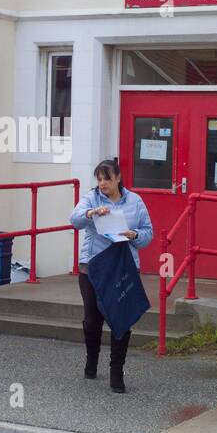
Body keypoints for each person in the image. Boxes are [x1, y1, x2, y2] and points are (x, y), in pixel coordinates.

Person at [69, 157, 154, 393]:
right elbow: (73, 220)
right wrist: (91, 213)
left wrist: (133, 235)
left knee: (121, 320)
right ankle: (91, 361)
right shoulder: (91, 197)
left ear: (118, 178)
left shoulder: (135, 201)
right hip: (93, 267)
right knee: (92, 319)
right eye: (99, 179)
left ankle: (117, 371)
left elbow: (148, 234)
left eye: (107, 178)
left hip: (123, 267)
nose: (102, 183)